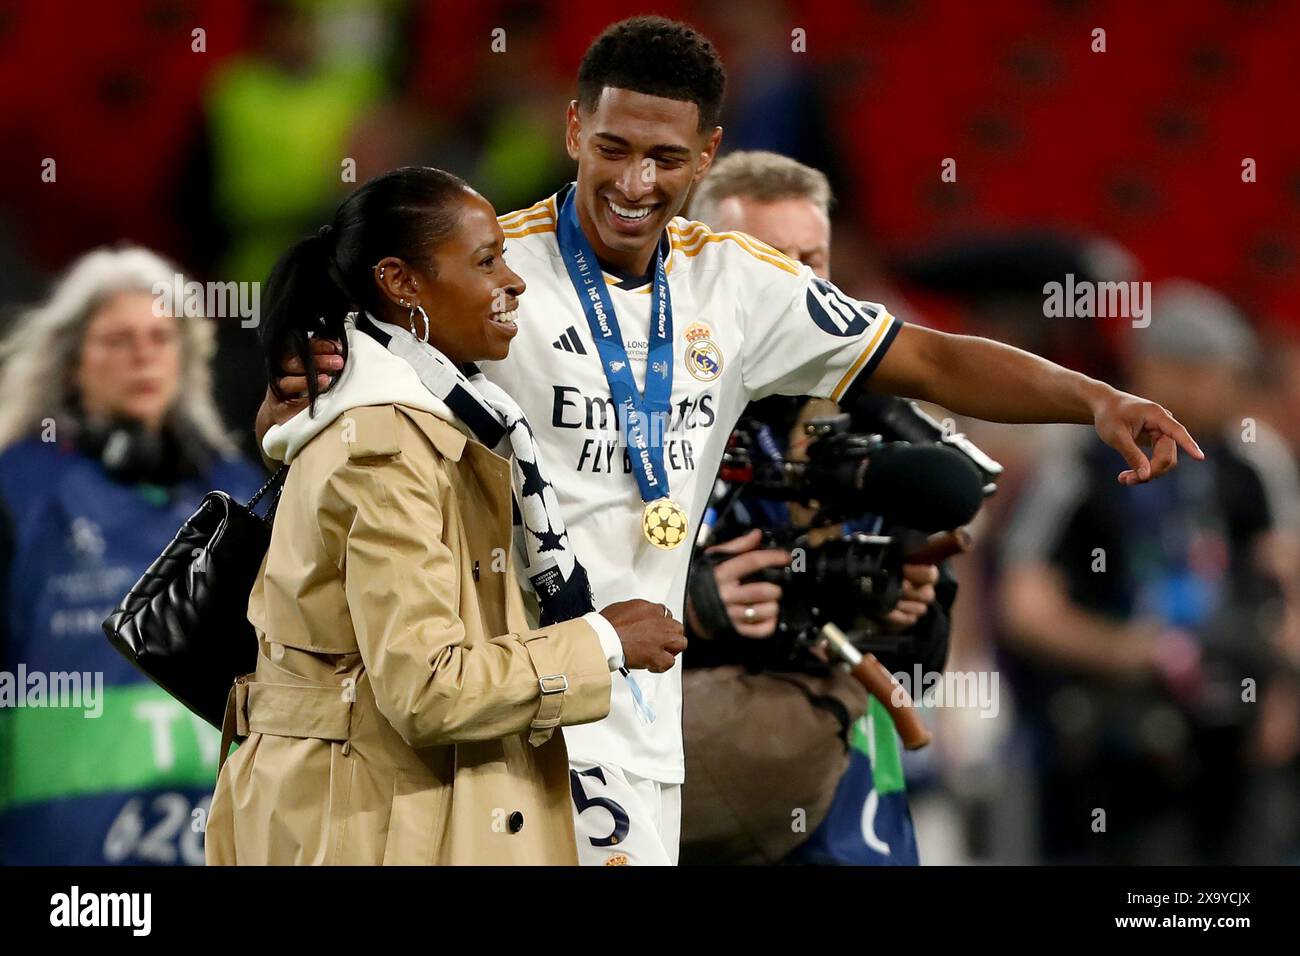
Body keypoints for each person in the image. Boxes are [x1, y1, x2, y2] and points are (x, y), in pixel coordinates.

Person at [259, 16, 1201, 866]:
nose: (635, 183)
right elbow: (329, 418)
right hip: (499, 717)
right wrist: (284, 412)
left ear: (707, 154)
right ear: (573, 129)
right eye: (614, 148)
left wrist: (1097, 401)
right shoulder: (486, 275)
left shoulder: (743, 289)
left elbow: (930, 361)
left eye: (665, 158)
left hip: (640, 727)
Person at [206, 166, 685, 866]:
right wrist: (603, 643)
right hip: (363, 826)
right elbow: (427, 686)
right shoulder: (387, 446)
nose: (513, 281)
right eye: (486, 260)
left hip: (381, 809)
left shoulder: (443, 415)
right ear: (402, 284)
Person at [679, 150, 947, 864]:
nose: (800, 285)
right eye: (772, 260)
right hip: (695, 800)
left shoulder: (875, 416)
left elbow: (926, 652)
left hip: (851, 811)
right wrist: (698, 609)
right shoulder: (640, 410)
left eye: (814, 259)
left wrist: (900, 609)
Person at [997, 281, 1300, 863]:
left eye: (1225, 373)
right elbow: (1025, 604)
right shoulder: (1079, 465)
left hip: (1228, 731)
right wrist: (1129, 651)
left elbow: (1283, 587)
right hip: (1107, 731)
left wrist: (1280, 696)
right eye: (1201, 371)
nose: (1220, 388)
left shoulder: (1253, 466)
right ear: (1153, 369)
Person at [0, 245, 262, 865]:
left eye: (160, 337)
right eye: (116, 340)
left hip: (219, 839)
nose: (143, 354)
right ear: (72, 365)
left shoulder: (243, 492)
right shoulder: (17, 492)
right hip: (61, 856)